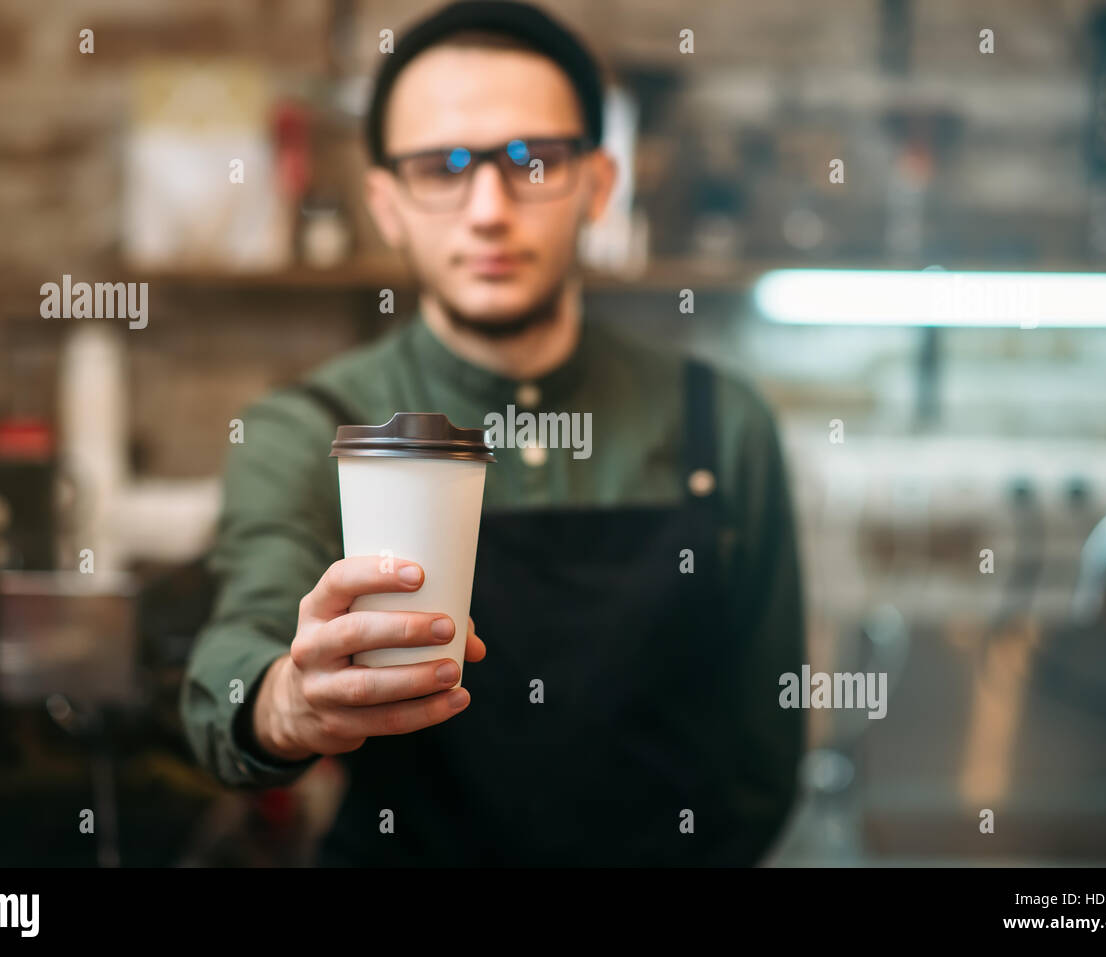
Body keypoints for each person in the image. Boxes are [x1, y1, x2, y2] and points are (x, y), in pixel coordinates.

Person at [180, 0, 805, 866]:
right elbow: (235, 651)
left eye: (531, 159)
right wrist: (287, 701)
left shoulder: (723, 425)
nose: (487, 208)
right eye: (441, 167)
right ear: (387, 203)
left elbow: (765, 755)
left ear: (599, 184)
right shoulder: (313, 427)